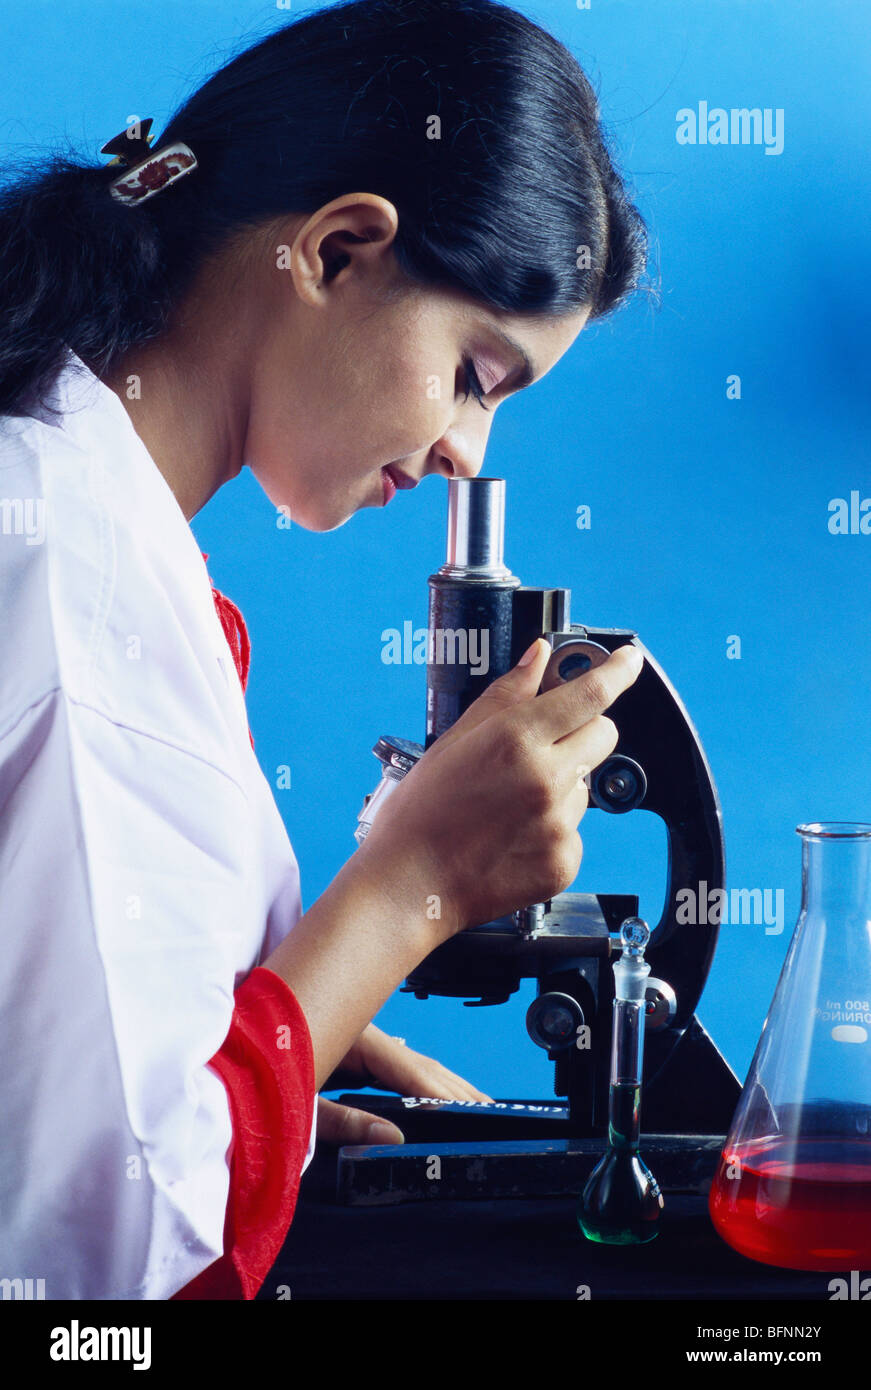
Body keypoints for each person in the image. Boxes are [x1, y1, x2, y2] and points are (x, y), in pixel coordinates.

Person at [0, 0, 650, 1299]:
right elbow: (105, 1276)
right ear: (340, 249)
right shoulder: (73, 583)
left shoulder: (86, 519)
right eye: (476, 372)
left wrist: (301, 1047)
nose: (471, 449)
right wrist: (418, 881)